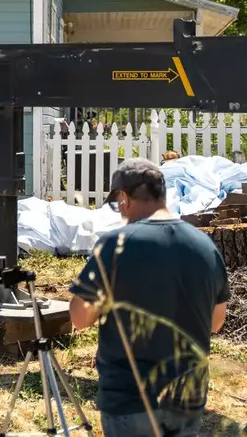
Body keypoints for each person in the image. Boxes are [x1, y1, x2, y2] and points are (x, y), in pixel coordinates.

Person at [69, 158, 228, 437]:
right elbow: (216, 322)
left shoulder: (115, 244)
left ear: (123, 198)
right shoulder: (205, 245)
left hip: (130, 398)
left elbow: (80, 318)